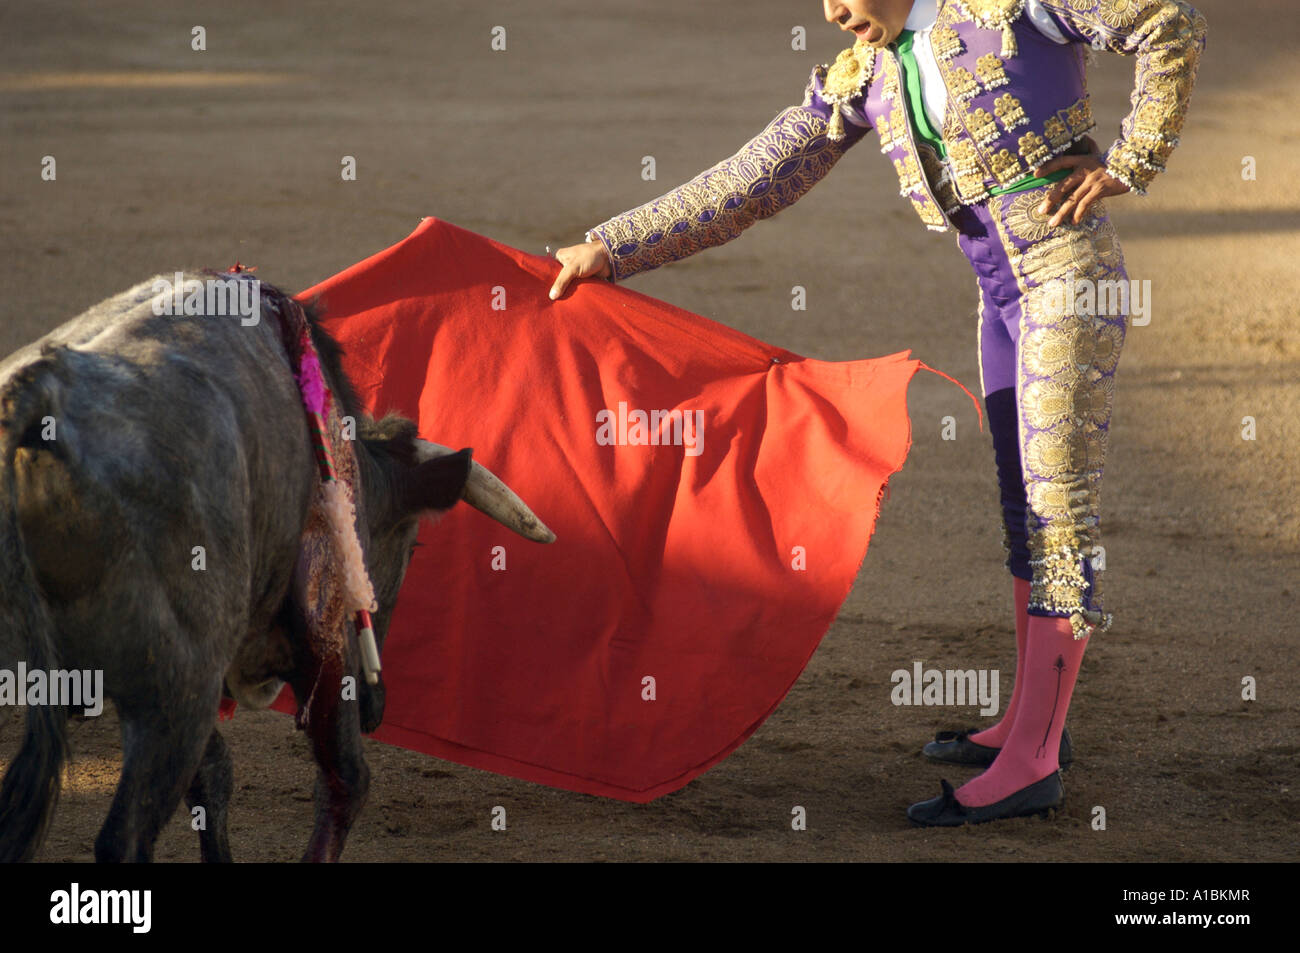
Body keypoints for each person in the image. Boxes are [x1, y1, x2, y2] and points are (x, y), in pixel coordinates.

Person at [548, 0, 1206, 825]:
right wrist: (614, 246)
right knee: (1021, 512)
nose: (832, 12)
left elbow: (1164, 20)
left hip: (1071, 280)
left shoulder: (1014, 4)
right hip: (1002, 299)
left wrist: (1132, 158)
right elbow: (758, 177)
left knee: (1056, 515)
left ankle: (1035, 759)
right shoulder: (870, 69)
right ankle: (1033, 725)